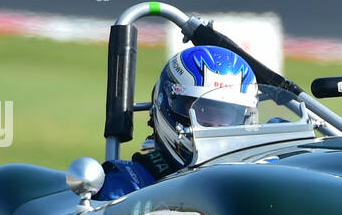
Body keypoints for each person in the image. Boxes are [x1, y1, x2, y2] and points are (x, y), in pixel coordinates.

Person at [98, 45, 259, 199]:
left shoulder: (261, 172)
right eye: (202, 111)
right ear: (165, 104)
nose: (215, 126)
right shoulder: (129, 184)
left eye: (225, 116)